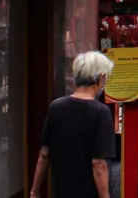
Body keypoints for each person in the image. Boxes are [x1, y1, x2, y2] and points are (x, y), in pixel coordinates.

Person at [31, 51, 116, 198]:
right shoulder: (101, 112)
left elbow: (44, 154)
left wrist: (34, 190)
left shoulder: (56, 107)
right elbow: (99, 164)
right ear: (101, 78)